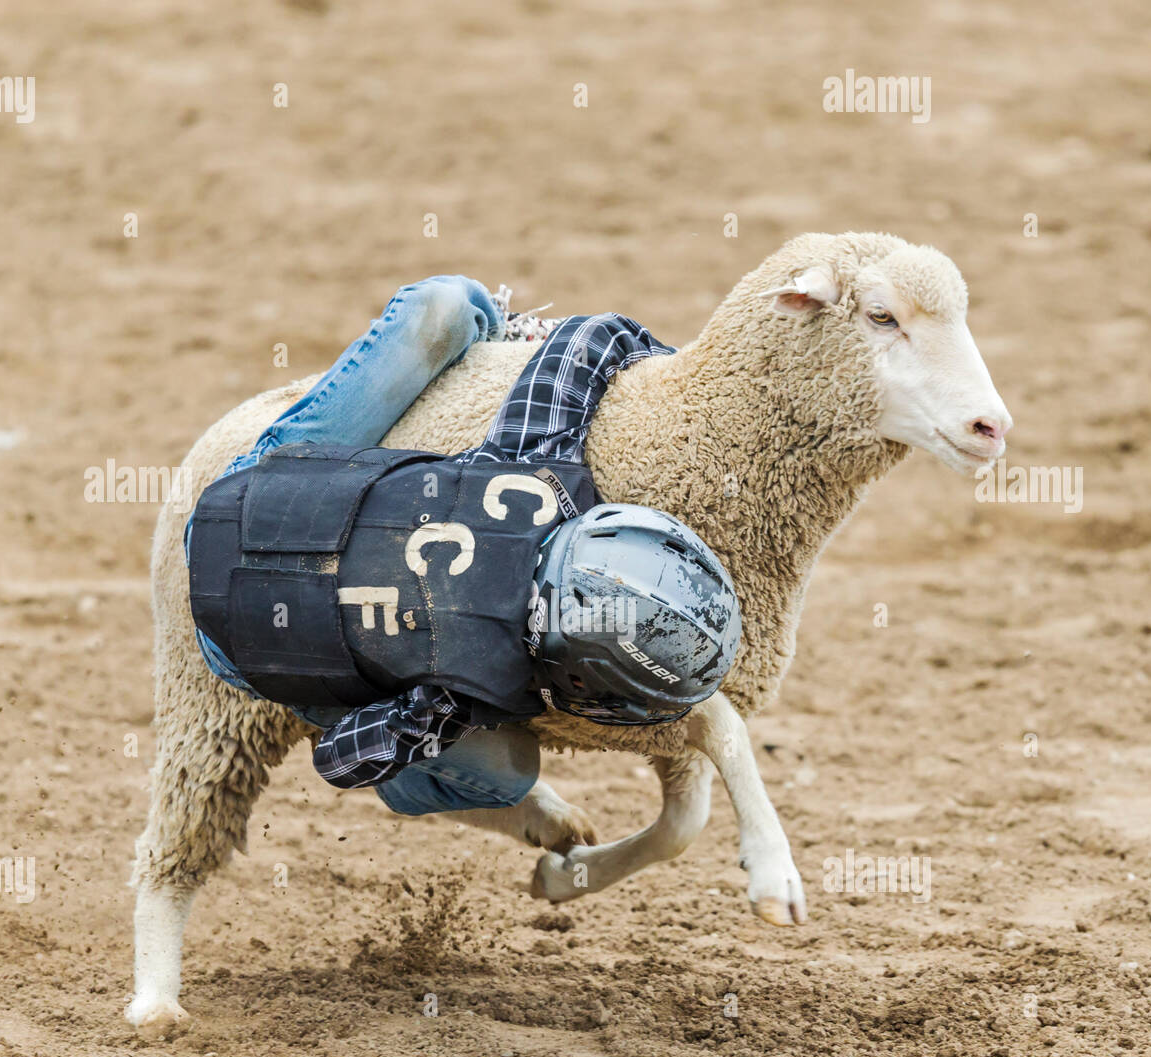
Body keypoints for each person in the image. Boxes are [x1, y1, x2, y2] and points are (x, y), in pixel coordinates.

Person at [185, 276, 740, 819]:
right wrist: (421, 704)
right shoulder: (463, 694)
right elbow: (337, 762)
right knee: (509, 775)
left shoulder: (528, 478)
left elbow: (594, 335)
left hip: (254, 486)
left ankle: (498, 327)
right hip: (232, 644)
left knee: (447, 301)